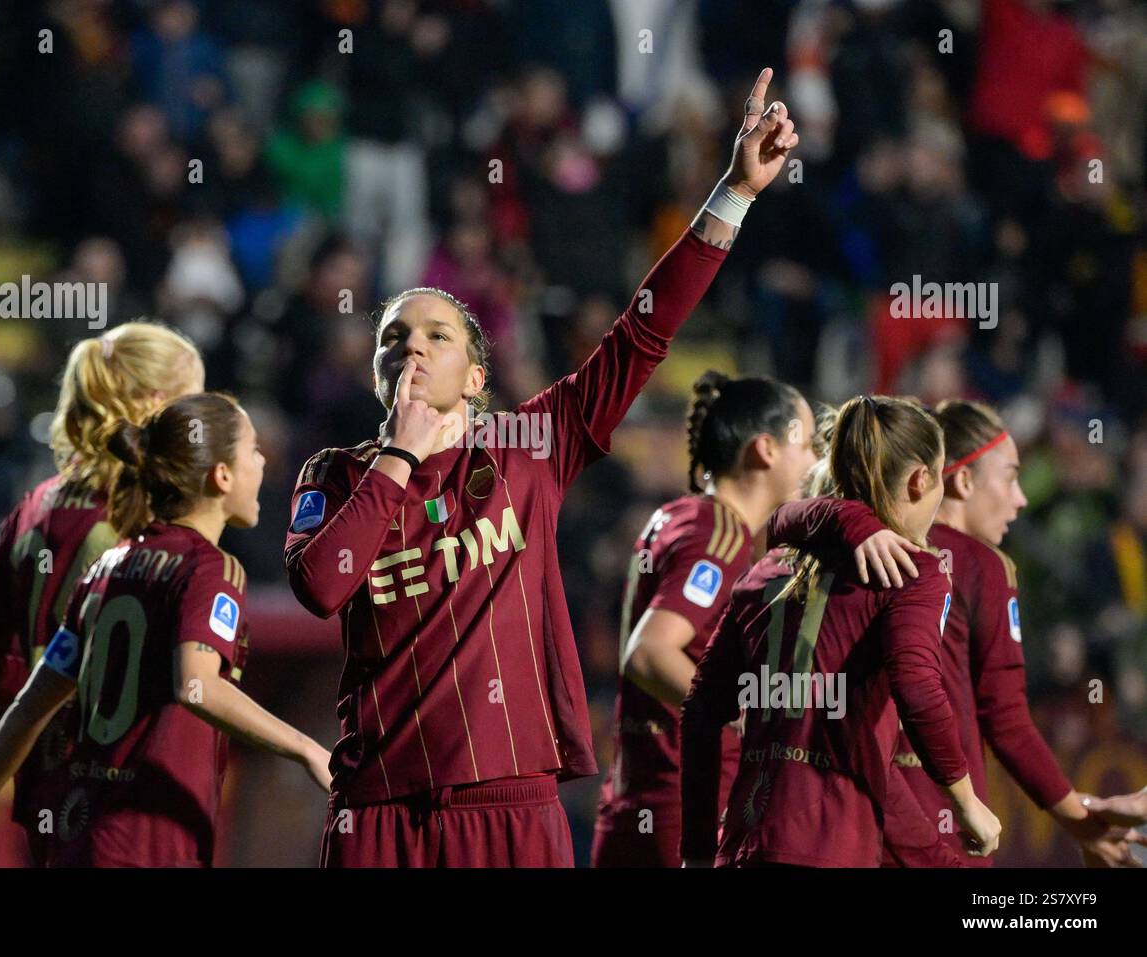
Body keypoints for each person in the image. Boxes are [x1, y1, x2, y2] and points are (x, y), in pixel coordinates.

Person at [285, 67, 800, 867]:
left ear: (479, 377)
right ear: (376, 370)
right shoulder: (335, 475)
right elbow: (322, 588)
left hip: (510, 801)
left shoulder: (530, 449)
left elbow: (642, 335)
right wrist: (397, 458)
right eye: (394, 337)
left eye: (436, 335)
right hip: (378, 807)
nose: (411, 345)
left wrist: (731, 193)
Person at [0, 393, 331, 868]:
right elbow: (196, 686)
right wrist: (307, 749)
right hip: (147, 848)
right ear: (221, 476)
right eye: (252, 449)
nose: (264, 461)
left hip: (77, 840)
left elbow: (28, 707)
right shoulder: (211, 570)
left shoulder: (105, 568)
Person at [768, 399, 1141, 867]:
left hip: (833, 817)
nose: (1021, 498)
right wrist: (1078, 820)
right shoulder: (975, 566)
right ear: (958, 480)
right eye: (1009, 476)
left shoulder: (823, 555)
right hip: (935, 814)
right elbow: (1005, 721)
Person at [680, 395, 1001, 867]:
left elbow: (700, 712)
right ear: (921, 480)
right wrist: (967, 802)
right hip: (829, 847)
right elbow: (917, 686)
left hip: (745, 844)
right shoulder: (912, 574)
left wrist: (696, 852)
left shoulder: (765, 572)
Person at [0, 321, 204, 863]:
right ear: (157, 401)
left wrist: (40, 687)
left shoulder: (34, 506)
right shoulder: (144, 515)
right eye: (194, 401)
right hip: (125, 791)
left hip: (45, 784)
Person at [591, 372, 817, 867]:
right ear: (766, 450)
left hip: (636, 802)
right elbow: (650, 652)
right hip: (683, 809)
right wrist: (750, 719)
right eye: (807, 443)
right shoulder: (717, 534)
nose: (815, 460)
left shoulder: (677, 517)